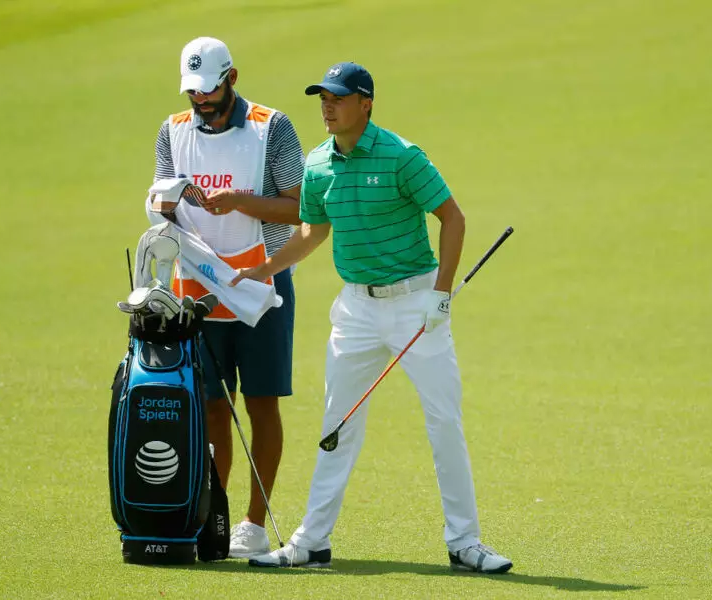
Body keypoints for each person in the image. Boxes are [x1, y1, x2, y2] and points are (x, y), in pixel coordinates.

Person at [230, 62, 512, 573]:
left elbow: (453, 217)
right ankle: (311, 541)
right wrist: (264, 269)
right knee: (337, 421)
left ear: (366, 103)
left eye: (338, 98)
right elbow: (313, 233)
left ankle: (465, 543)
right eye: (323, 98)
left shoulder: (402, 156)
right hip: (356, 310)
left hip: (416, 304)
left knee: (443, 420)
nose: (327, 106)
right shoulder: (317, 164)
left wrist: (440, 295)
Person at [146, 37, 305, 558]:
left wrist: (238, 201)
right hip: (196, 291)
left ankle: (253, 524)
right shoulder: (172, 130)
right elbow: (160, 199)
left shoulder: (271, 127)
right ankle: (208, 515)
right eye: (193, 92)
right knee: (212, 408)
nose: (201, 102)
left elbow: (298, 208)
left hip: (261, 287)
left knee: (261, 404)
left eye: (210, 90)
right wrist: (165, 205)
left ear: (231, 78)